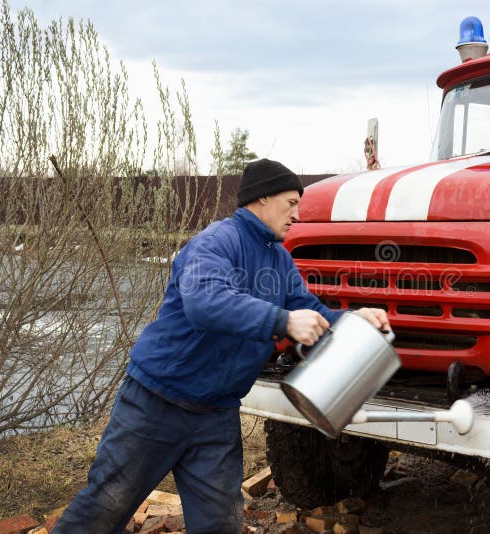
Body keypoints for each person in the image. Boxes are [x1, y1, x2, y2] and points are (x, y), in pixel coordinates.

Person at [53, 159, 390, 534]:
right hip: (156, 403)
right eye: (291, 202)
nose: (298, 214)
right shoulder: (215, 242)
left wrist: (352, 319)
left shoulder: (278, 259)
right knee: (105, 506)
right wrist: (282, 321)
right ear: (261, 199)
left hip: (216, 414)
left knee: (220, 524)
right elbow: (205, 302)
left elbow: (309, 311)